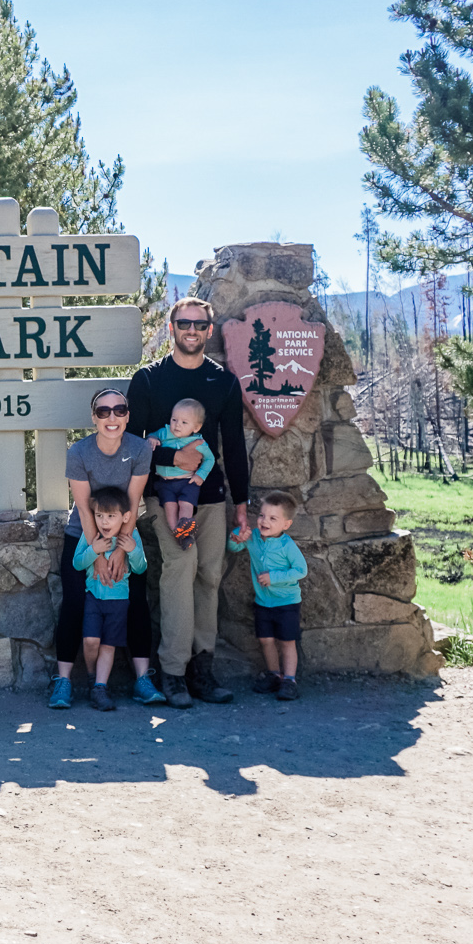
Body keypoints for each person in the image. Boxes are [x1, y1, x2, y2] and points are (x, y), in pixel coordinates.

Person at [127, 297, 252, 704]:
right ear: (171, 327)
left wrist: (242, 505)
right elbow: (132, 445)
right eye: (184, 323)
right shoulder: (148, 380)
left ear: (209, 331)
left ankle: (202, 669)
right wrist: (172, 456)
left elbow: (232, 446)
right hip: (163, 496)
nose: (192, 331)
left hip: (210, 495)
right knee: (181, 566)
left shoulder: (224, 383)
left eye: (200, 325)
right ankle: (173, 672)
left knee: (209, 575)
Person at [50, 388, 162, 708]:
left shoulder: (139, 449)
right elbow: (85, 508)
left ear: (127, 415)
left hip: (126, 533)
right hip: (84, 535)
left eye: (118, 410)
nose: (111, 417)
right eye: (103, 411)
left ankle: (142, 679)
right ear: (94, 418)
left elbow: (134, 499)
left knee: (137, 600)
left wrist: (120, 550)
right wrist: (97, 553)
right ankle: (63, 681)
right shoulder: (79, 452)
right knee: (73, 603)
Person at [58, 486, 147, 711]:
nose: (104, 522)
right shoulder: (92, 536)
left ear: (125, 517)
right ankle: (91, 675)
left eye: (111, 516)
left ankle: (100, 687)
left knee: (108, 646)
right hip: (93, 600)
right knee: (90, 641)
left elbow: (140, 568)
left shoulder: (130, 536)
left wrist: (133, 550)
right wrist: (94, 550)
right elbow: (77, 563)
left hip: (119, 602)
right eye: (99, 516)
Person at [229, 490, 307, 700]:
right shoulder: (254, 538)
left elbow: (301, 570)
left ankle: (290, 680)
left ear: (286, 524)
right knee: (265, 640)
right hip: (263, 602)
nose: (264, 521)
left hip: (287, 602)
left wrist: (274, 577)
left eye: (273, 518)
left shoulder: (287, 545)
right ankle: (275, 675)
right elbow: (234, 546)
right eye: (262, 516)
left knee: (287, 641)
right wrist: (237, 536)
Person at [149, 397, 215, 549]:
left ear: (196, 427)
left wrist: (201, 475)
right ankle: (178, 533)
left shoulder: (198, 442)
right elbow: (151, 435)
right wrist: (152, 438)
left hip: (188, 482)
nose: (177, 425)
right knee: (170, 507)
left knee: (185, 504)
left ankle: (186, 527)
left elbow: (209, 459)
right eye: (174, 420)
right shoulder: (164, 433)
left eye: (184, 422)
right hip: (165, 483)